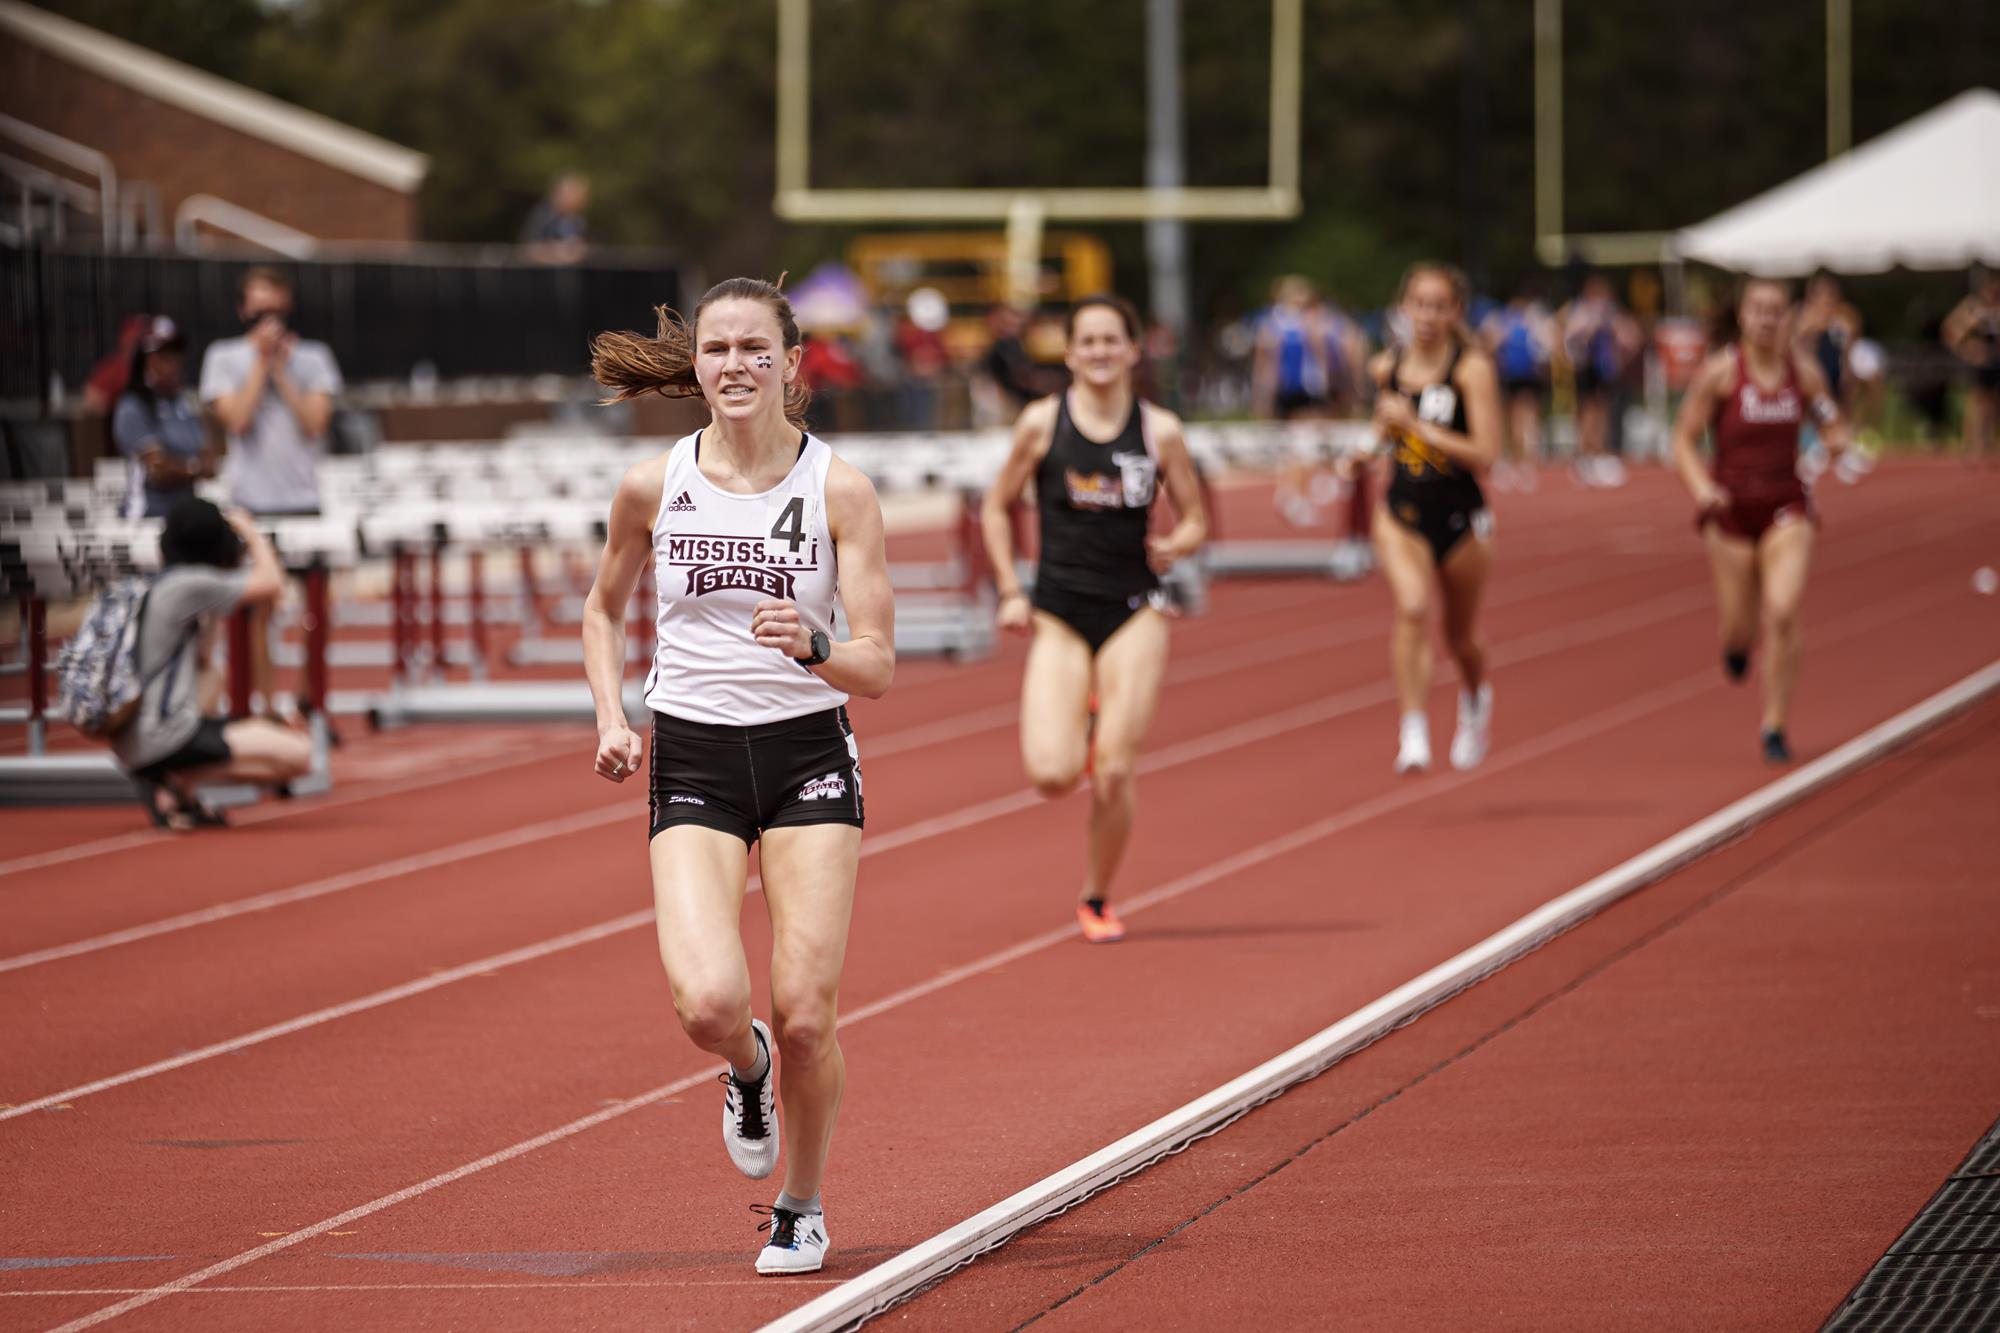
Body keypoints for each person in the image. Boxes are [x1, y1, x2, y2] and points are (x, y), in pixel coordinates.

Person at [582, 278, 895, 1276]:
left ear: (792, 365)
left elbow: (878, 664)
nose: (734, 366)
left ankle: (799, 1206)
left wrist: (815, 643)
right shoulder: (651, 484)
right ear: (697, 368)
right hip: (695, 754)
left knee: (808, 1010)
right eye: (717, 349)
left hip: (807, 752)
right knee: (710, 1004)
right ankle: (743, 1069)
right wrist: (610, 712)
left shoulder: (837, 488)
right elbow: (602, 609)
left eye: (755, 349)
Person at [979, 293, 1207, 944]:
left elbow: (1195, 516)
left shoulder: (1159, 429)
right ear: (1070, 351)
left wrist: (1178, 543)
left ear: (1134, 350)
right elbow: (997, 507)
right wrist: (1009, 588)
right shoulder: (1042, 423)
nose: (1102, 352)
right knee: (1052, 773)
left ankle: (1097, 895)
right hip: (1058, 611)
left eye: (1114, 340)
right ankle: (1083, 717)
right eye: (1089, 341)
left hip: (1134, 609)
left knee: (1112, 769)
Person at [1670, 278, 1852, 764]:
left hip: (1786, 506)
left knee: (1785, 609)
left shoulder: (1805, 374)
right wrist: (1702, 488)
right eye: (1758, 310)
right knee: (1740, 629)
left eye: (1775, 310)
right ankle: (1735, 646)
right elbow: (1684, 439)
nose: (1767, 319)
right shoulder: (1721, 373)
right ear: (1743, 315)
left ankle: (1774, 722)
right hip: (1730, 512)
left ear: (1788, 316)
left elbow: (1832, 419)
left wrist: (1835, 438)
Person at [1350, 262, 1502, 775]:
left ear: (1456, 311)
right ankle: (1412, 730)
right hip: (1403, 512)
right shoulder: (1385, 367)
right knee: (1412, 608)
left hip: (1462, 520)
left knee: (1461, 636)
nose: (1429, 316)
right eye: (1420, 304)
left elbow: (1486, 453)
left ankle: (1477, 698)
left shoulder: (1470, 369)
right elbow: (1383, 429)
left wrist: (1418, 426)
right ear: (1404, 307)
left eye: (1440, 306)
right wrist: (1364, 451)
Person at [109, 498, 313, 829]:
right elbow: (272, 583)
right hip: (159, 738)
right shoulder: (191, 585)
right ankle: (172, 776)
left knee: (213, 674)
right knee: (300, 754)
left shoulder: (160, 583)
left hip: (131, 733)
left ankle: (181, 792)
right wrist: (251, 531)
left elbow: (203, 660)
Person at [200, 266, 341, 721]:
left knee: (318, 609)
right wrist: (260, 362)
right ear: (243, 310)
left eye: (276, 311)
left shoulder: (313, 357)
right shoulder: (223, 357)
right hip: (251, 503)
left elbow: (316, 423)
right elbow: (236, 419)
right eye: (259, 311)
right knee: (256, 610)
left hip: (302, 498)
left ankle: (309, 698)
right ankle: (264, 706)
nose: (268, 321)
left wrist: (282, 369)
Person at [112, 317, 214, 518]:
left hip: (184, 514)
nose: (173, 363)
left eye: (176, 354)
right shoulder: (133, 405)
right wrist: (194, 468)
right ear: (145, 360)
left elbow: (210, 462)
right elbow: (158, 471)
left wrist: (185, 467)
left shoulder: (184, 403)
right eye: (163, 355)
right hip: (147, 515)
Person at [1557, 272, 1641, 487]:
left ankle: (1599, 455)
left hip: (1605, 369)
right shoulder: (1580, 310)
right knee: (1587, 413)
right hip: (1586, 368)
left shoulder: (1610, 312)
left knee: (1602, 412)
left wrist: (1620, 354)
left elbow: (1632, 336)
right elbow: (1567, 335)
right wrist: (1587, 331)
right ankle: (1585, 457)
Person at [1481, 280, 1556, 490]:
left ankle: (1525, 462)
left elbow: (1547, 345)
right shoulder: (1500, 319)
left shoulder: (1533, 319)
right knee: (1510, 418)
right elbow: (1487, 344)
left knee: (1525, 417)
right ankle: (1510, 460)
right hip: (1509, 374)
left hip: (1527, 375)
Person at [1942, 266, 2000, 464]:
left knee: (1993, 404)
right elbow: (1951, 329)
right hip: (1981, 362)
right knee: (1977, 402)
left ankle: (1989, 443)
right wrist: (1967, 350)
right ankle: (1970, 445)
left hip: (1995, 362)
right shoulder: (1974, 307)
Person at [519, 172, 592, 264]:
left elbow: (584, 248)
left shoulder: (578, 221)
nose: (580, 200)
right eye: (575, 195)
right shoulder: (542, 216)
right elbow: (527, 250)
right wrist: (556, 253)